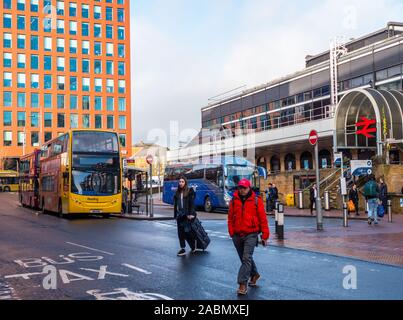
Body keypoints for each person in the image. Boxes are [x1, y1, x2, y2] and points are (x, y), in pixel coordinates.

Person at [228, 179, 270, 296]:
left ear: (249, 188)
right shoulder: (233, 200)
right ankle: (255, 274)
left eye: (244, 188)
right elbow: (230, 218)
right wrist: (231, 232)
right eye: (240, 187)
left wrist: (265, 236)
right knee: (245, 259)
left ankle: (242, 284)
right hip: (237, 235)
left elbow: (263, 219)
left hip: (251, 234)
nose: (242, 190)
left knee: (246, 258)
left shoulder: (257, 200)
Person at [173, 176, 196, 256]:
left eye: (182, 182)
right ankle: (183, 248)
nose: (181, 183)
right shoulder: (177, 193)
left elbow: (191, 204)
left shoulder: (189, 191)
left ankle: (193, 245)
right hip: (180, 215)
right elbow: (176, 205)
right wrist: (175, 215)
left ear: (185, 182)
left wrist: (191, 214)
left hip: (187, 215)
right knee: (180, 233)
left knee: (187, 232)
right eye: (180, 182)